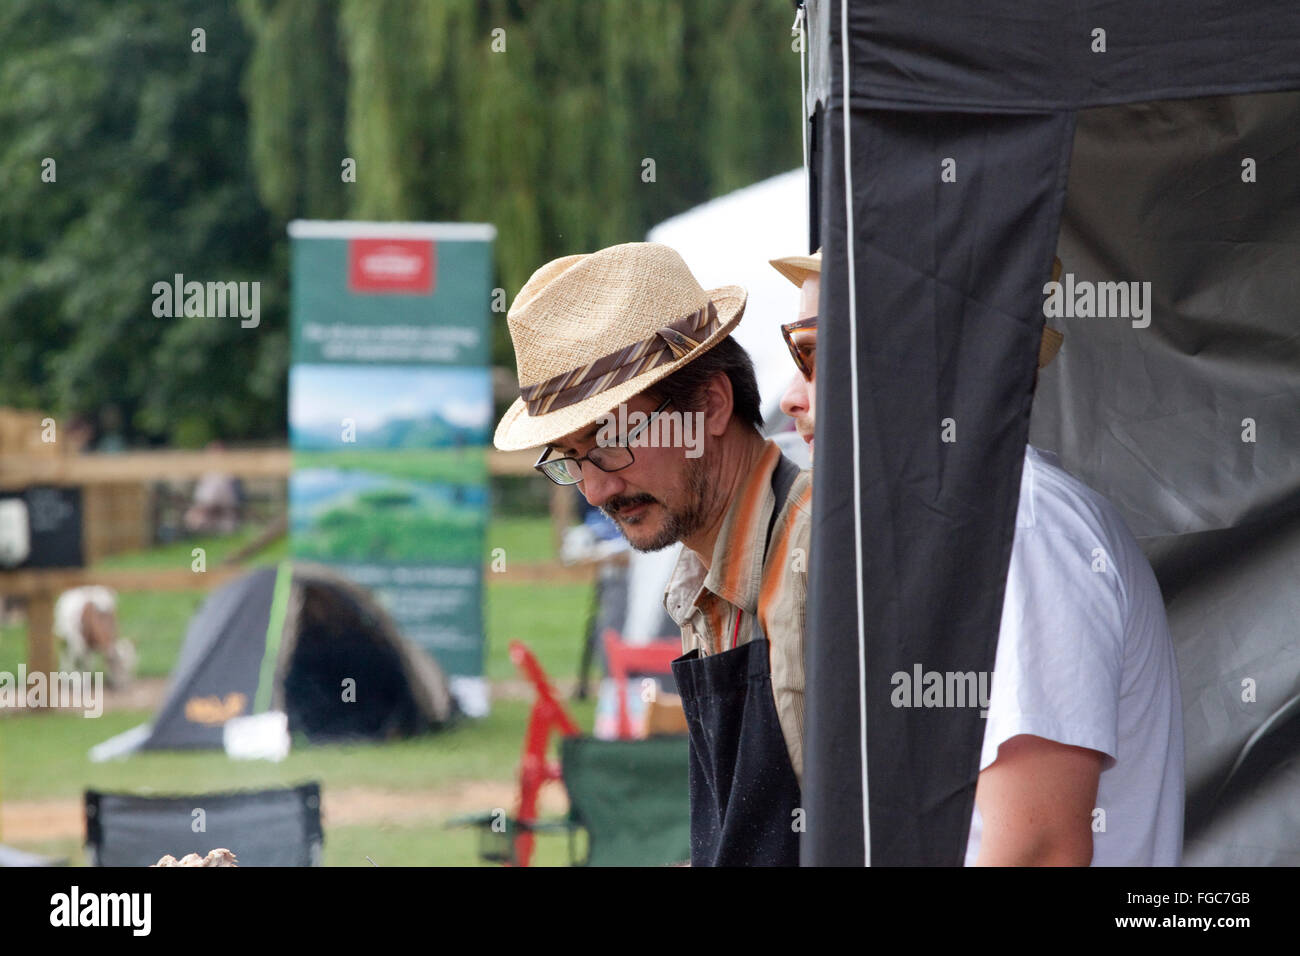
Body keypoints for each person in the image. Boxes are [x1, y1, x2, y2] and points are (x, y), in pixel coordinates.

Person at [769, 249, 1184, 865]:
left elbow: (1037, 851)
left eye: (813, 352)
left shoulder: (1017, 530)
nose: (789, 397)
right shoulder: (978, 526)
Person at [494, 242, 812, 866]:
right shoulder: (703, 576)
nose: (596, 489)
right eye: (570, 457)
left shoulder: (815, 559)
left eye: (612, 439)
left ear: (711, 405)